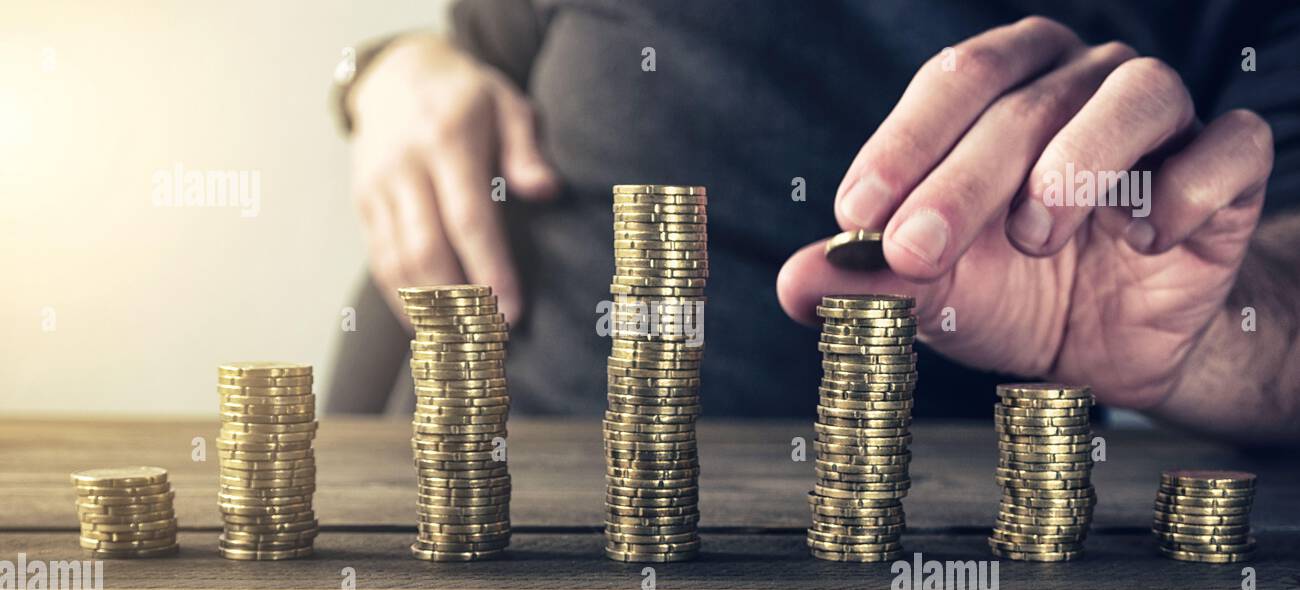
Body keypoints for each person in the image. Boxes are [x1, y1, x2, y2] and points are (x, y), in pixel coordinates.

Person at [328, 0, 1300, 447]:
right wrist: (384, 73)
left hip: (849, 564)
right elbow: (470, 55)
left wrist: (1208, 335)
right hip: (447, 488)